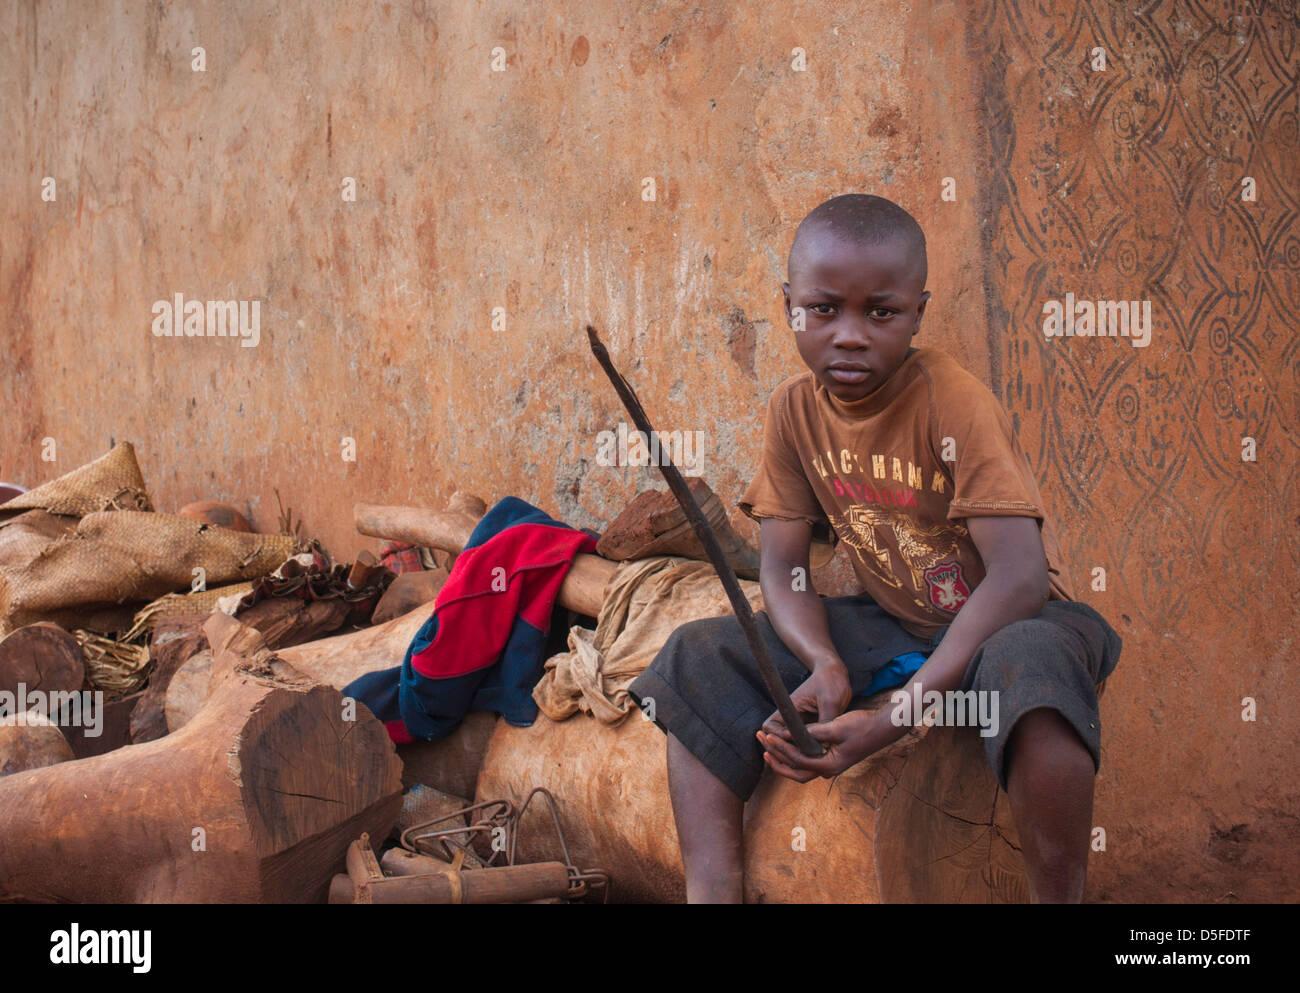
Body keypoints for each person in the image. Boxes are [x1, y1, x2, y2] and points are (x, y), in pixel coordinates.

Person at [628, 193, 1122, 903]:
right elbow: (782, 563)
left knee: (1033, 668)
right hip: (895, 625)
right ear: (790, 305)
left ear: (917, 312)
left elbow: (1020, 576)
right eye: (824, 310)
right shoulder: (794, 413)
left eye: (880, 312)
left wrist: (899, 715)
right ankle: (714, 891)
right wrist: (823, 661)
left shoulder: (951, 399)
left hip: (1007, 621)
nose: (851, 335)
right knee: (698, 654)